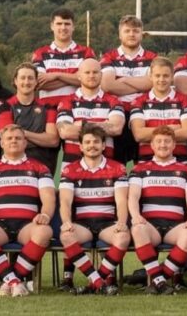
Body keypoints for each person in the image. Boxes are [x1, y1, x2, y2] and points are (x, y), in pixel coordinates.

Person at [0, 125, 55, 297]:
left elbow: (48, 197)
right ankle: (15, 282)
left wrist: (45, 214)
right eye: (9, 138)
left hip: (27, 225)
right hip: (0, 225)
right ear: (1, 143)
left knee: (45, 231)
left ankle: (8, 280)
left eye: (18, 138)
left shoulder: (40, 168)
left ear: (25, 142)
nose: (13, 141)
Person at [56, 124, 130, 294]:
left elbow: (121, 201)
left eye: (96, 142)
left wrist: (121, 222)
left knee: (124, 237)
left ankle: (93, 284)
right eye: (87, 142)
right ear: (80, 146)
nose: (92, 145)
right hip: (83, 224)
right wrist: (66, 222)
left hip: (107, 224)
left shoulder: (117, 168)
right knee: (66, 236)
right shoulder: (69, 169)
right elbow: (65, 202)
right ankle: (101, 283)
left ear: (104, 145)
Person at [126, 126, 187, 294]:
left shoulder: (186, 171)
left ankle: (157, 281)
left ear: (174, 145)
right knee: (137, 229)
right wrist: (135, 216)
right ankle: (161, 282)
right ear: (151, 145)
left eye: (167, 141)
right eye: (158, 141)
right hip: (150, 225)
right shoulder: (139, 170)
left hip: (175, 225)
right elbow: (133, 197)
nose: (163, 145)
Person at [99, 16, 157, 166]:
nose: (132, 34)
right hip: (118, 114)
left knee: (144, 166)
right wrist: (142, 83)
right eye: (127, 31)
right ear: (120, 34)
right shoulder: (109, 57)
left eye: (136, 31)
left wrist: (124, 80)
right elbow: (108, 85)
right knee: (117, 166)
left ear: (141, 33)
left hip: (145, 115)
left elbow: (154, 83)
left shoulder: (152, 58)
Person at [56, 58, 126, 165]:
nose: (91, 75)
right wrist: (104, 125)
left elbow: (116, 129)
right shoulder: (66, 101)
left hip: (105, 166)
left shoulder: (114, 101)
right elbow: (65, 132)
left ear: (101, 75)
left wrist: (81, 124)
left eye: (95, 72)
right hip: (72, 165)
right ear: (79, 75)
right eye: (87, 72)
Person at [128, 57, 187, 162]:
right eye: (157, 75)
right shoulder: (138, 102)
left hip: (179, 161)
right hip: (147, 161)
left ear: (172, 77)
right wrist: (172, 128)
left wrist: (151, 132)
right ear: (150, 76)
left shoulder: (184, 100)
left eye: (165, 76)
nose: (161, 79)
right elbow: (139, 135)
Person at [0, 65, 60, 174]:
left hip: (43, 168)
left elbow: (53, 140)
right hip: (12, 168)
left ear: (36, 82)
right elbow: (7, 139)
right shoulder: (5, 107)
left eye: (30, 78)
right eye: (22, 78)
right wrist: (41, 138)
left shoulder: (48, 107)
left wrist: (20, 133)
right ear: (15, 81)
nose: (26, 81)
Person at [33, 8, 96, 104]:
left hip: (78, 109)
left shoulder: (87, 52)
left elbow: (90, 80)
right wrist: (75, 78)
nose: (63, 27)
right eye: (59, 24)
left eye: (67, 24)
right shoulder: (40, 53)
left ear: (73, 26)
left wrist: (56, 75)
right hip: (48, 110)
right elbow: (38, 84)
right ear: (52, 26)